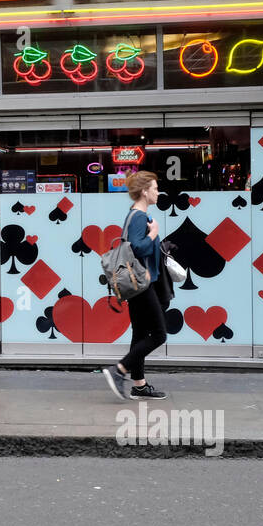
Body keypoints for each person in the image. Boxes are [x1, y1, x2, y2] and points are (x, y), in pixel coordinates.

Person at [103, 171, 169, 400]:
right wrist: (154, 234)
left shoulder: (137, 216)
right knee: (159, 334)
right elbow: (138, 249)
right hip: (142, 285)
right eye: (155, 188)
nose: (157, 192)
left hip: (140, 283)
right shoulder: (140, 217)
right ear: (144, 191)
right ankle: (119, 369)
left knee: (140, 334)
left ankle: (139, 385)